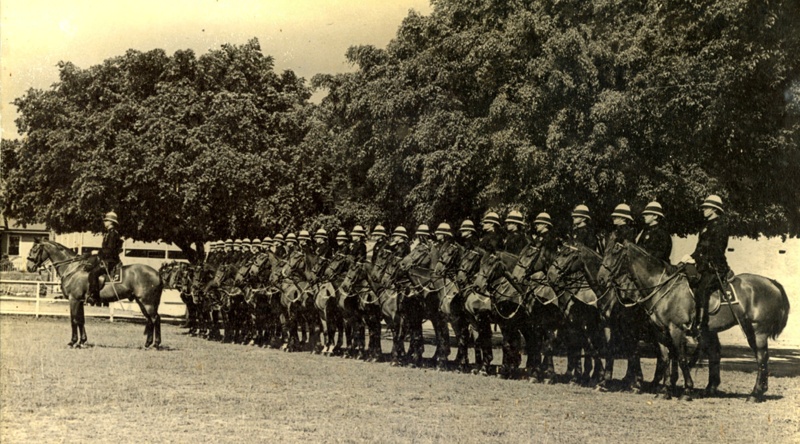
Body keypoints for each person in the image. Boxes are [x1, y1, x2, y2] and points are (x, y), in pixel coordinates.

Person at [683, 194, 731, 334]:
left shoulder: (721, 227)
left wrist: (699, 261)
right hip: (704, 266)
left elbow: (717, 250)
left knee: (703, 289)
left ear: (714, 209)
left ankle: (700, 324)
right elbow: (700, 249)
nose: (703, 209)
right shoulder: (705, 227)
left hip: (715, 267)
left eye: (706, 207)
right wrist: (689, 258)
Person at [86, 211, 123, 304]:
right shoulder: (109, 233)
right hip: (106, 258)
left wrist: (97, 252)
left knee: (93, 273)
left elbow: (110, 250)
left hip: (110, 260)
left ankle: (94, 296)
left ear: (111, 222)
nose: (104, 222)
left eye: (106, 220)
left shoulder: (113, 234)